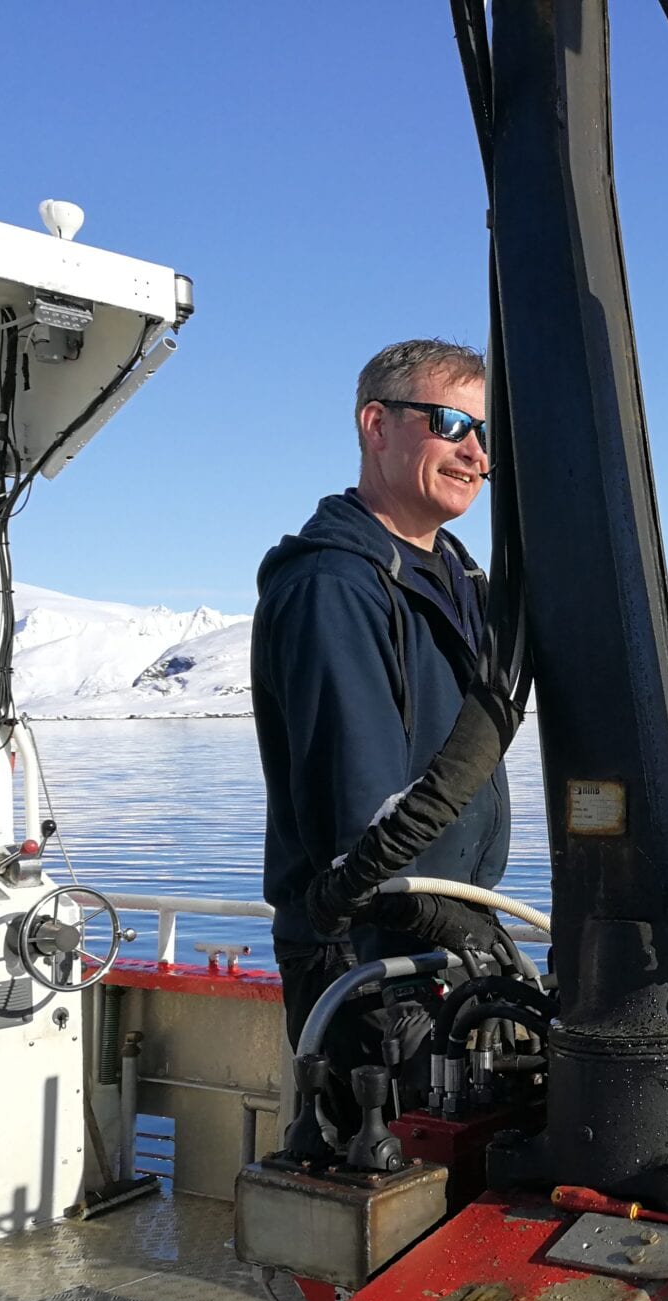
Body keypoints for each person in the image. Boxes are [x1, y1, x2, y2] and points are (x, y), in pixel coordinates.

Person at [252, 338, 511, 1079]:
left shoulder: (457, 579)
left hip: (440, 932)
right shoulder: (334, 585)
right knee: (385, 1162)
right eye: (449, 424)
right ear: (376, 424)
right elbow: (359, 822)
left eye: (484, 434)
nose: (474, 454)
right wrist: (448, 922)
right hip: (363, 951)